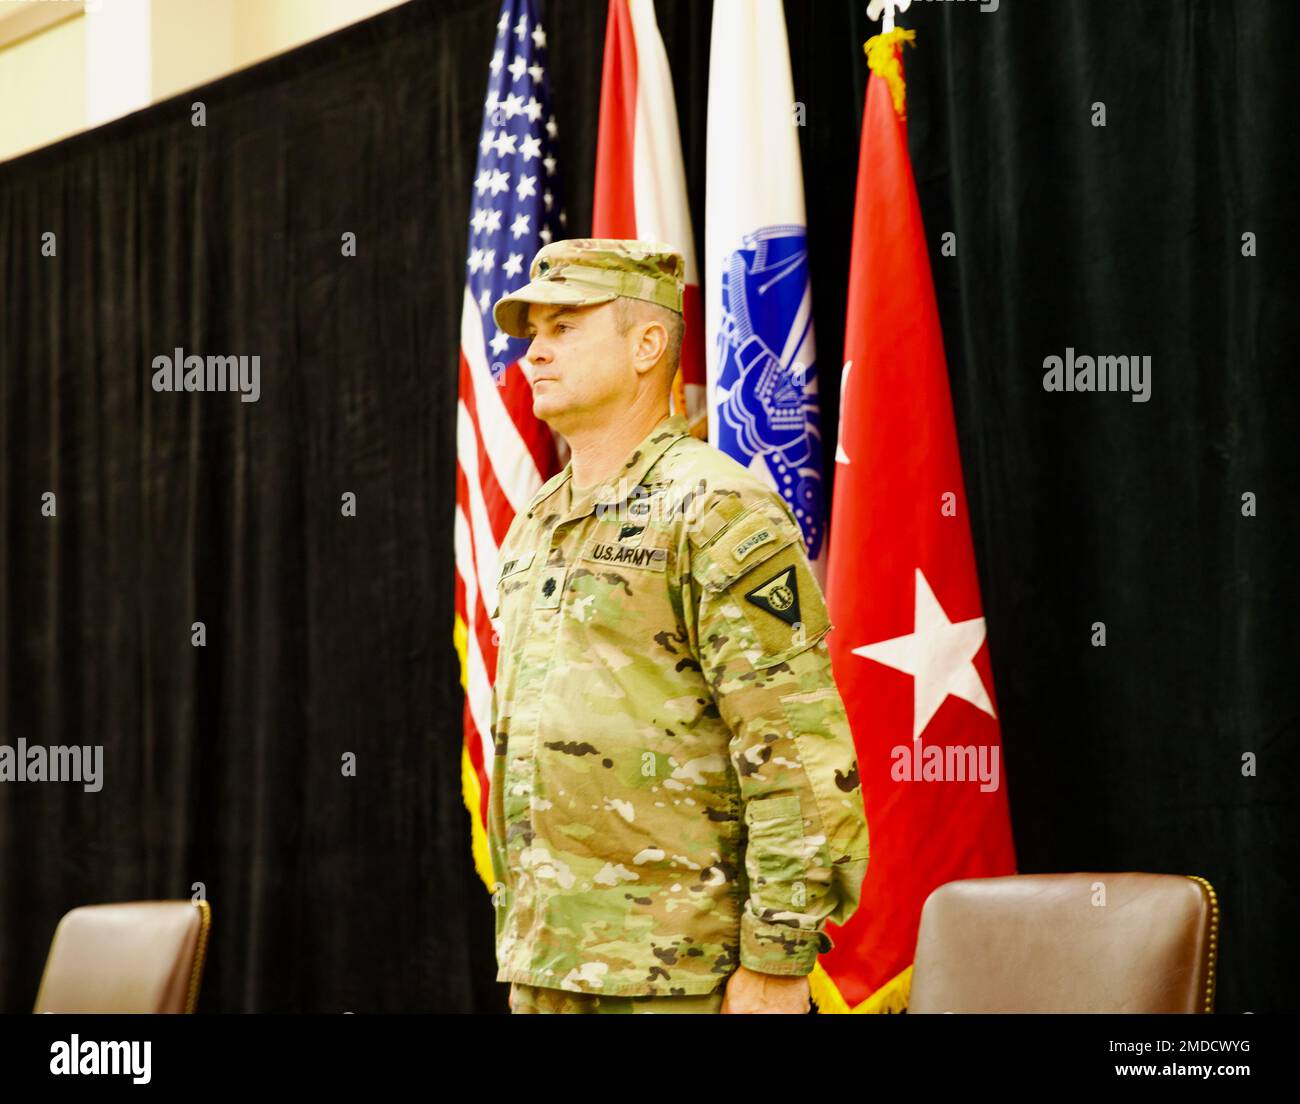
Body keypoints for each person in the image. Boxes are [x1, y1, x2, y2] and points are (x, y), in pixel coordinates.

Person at [485, 238, 869, 1014]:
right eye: (534, 335)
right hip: (548, 959)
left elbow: (791, 743)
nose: (535, 355)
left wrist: (778, 955)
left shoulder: (716, 508)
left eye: (565, 328)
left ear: (648, 342)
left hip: (681, 976)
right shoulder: (537, 521)